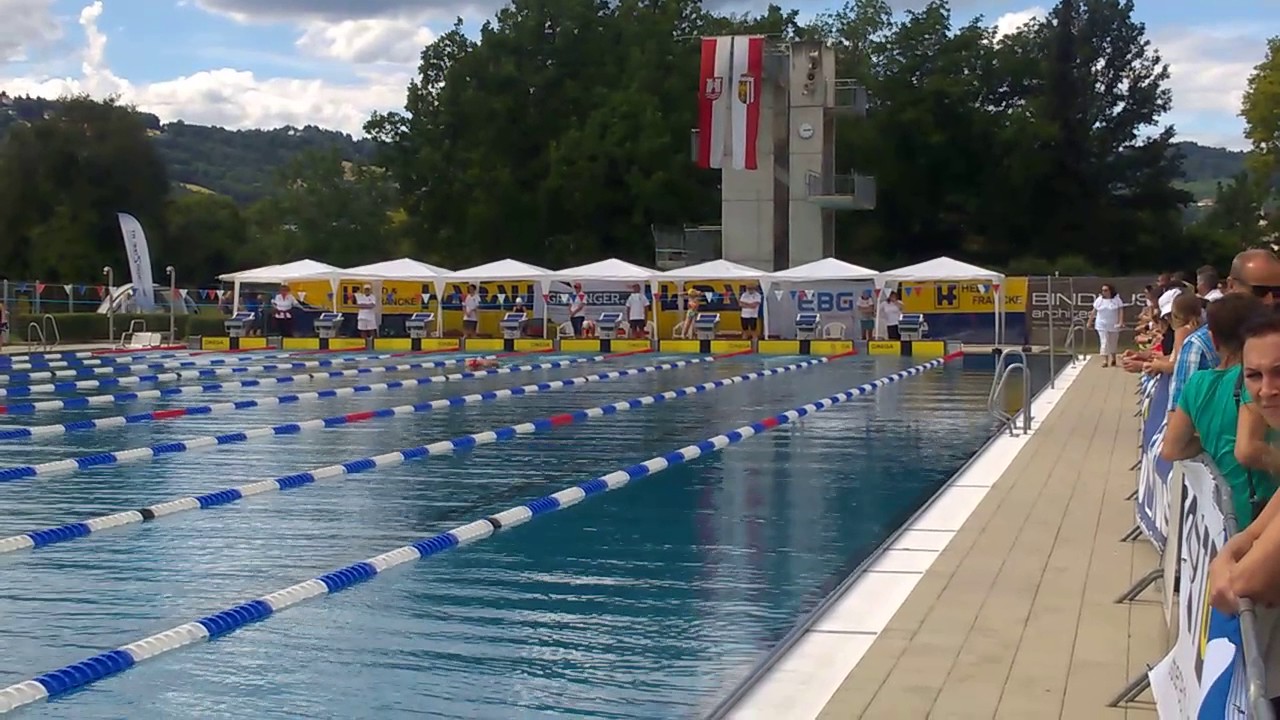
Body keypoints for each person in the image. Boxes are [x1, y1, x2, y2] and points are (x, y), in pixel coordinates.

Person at [1161, 292, 1273, 528]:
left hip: (1221, 518)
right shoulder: (1254, 382)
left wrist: (1215, 441)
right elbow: (1247, 450)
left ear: (1213, 340)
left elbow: (1171, 448)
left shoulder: (1197, 384)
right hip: (1262, 515)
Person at [1088, 283, 1124, 367]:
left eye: (1105, 290)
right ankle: (1105, 360)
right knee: (1104, 341)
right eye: (1103, 290)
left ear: (1110, 291)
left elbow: (1120, 311)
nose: (1103, 292)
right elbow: (1094, 311)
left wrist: (1121, 322)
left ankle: (1113, 358)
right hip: (1101, 324)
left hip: (1113, 324)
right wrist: (1089, 322)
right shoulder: (1099, 300)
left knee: (1113, 342)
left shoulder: (1117, 299)